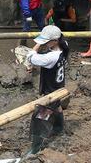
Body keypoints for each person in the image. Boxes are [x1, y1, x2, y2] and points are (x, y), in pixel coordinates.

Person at [26, 24, 69, 153]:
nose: (44, 44)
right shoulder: (64, 46)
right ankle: (59, 128)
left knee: (39, 117)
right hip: (58, 86)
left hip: (51, 92)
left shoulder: (50, 57)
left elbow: (30, 56)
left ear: (55, 41)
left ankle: (35, 147)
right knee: (57, 106)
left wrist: (38, 45)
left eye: (46, 41)